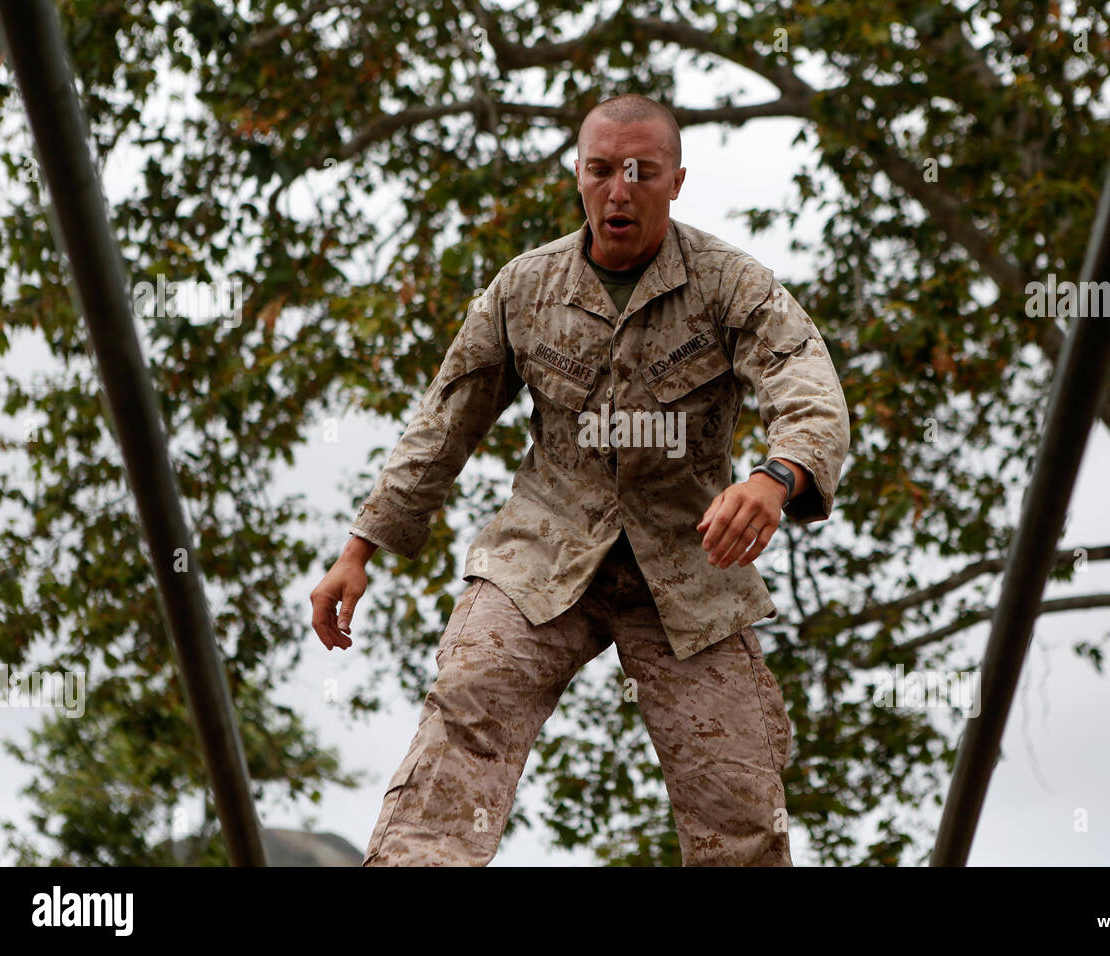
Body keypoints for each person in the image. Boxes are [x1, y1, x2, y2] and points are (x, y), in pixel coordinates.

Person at [308, 93, 852, 866]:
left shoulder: (733, 286)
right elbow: (443, 424)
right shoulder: (524, 290)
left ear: (676, 181)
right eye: (600, 170)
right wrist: (358, 550)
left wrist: (777, 478)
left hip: (690, 567)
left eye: (641, 172)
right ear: (578, 175)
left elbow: (810, 389)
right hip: (544, 551)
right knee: (467, 703)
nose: (618, 191)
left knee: (739, 800)